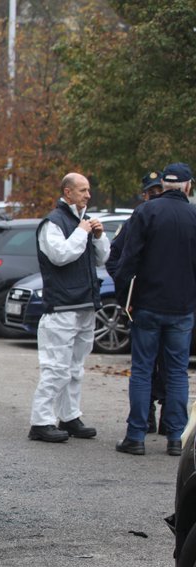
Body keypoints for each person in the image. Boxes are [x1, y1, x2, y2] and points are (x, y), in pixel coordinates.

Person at [111, 162, 196, 456]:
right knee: (177, 372)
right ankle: (176, 437)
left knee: (142, 371)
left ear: (164, 184)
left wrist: (125, 297)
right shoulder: (193, 216)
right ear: (188, 186)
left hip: (147, 304)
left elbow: (128, 259)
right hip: (181, 307)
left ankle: (136, 436)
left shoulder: (146, 212)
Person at [28, 172, 110, 443]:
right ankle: (41, 421)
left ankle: (70, 415)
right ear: (68, 192)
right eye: (83, 190)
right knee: (56, 367)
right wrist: (82, 232)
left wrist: (98, 236)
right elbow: (60, 256)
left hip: (85, 303)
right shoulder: (53, 223)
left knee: (76, 368)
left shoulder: (82, 223)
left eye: (88, 190)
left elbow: (102, 259)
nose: (88, 195)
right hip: (62, 306)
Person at [105, 171, 164, 434]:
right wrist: (126, 296)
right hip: (144, 305)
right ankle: (147, 416)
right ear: (144, 195)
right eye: (152, 192)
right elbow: (115, 260)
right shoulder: (135, 221)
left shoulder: (178, 217)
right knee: (146, 366)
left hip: (173, 305)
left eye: (159, 190)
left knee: (171, 367)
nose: (156, 195)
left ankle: (169, 420)